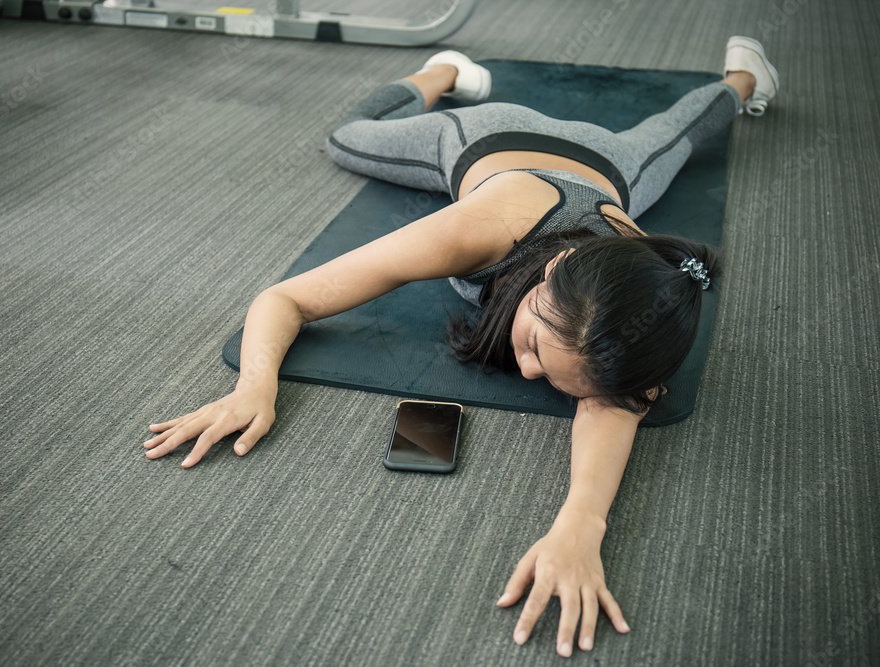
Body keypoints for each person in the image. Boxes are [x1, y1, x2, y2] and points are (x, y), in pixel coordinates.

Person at [143, 37, 779, 658]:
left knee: (681, 129)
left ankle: (745, 75)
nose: (526, 369)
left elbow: (614, 404)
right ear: (551, 270)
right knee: (346, 135)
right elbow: (287, 299)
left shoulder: (638, 302)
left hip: (611, 163)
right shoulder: (480, 227)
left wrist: (581, 526)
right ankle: (442, 71)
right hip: (489, 137)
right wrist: (253, 384)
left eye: (554, 376)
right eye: (532, 341)